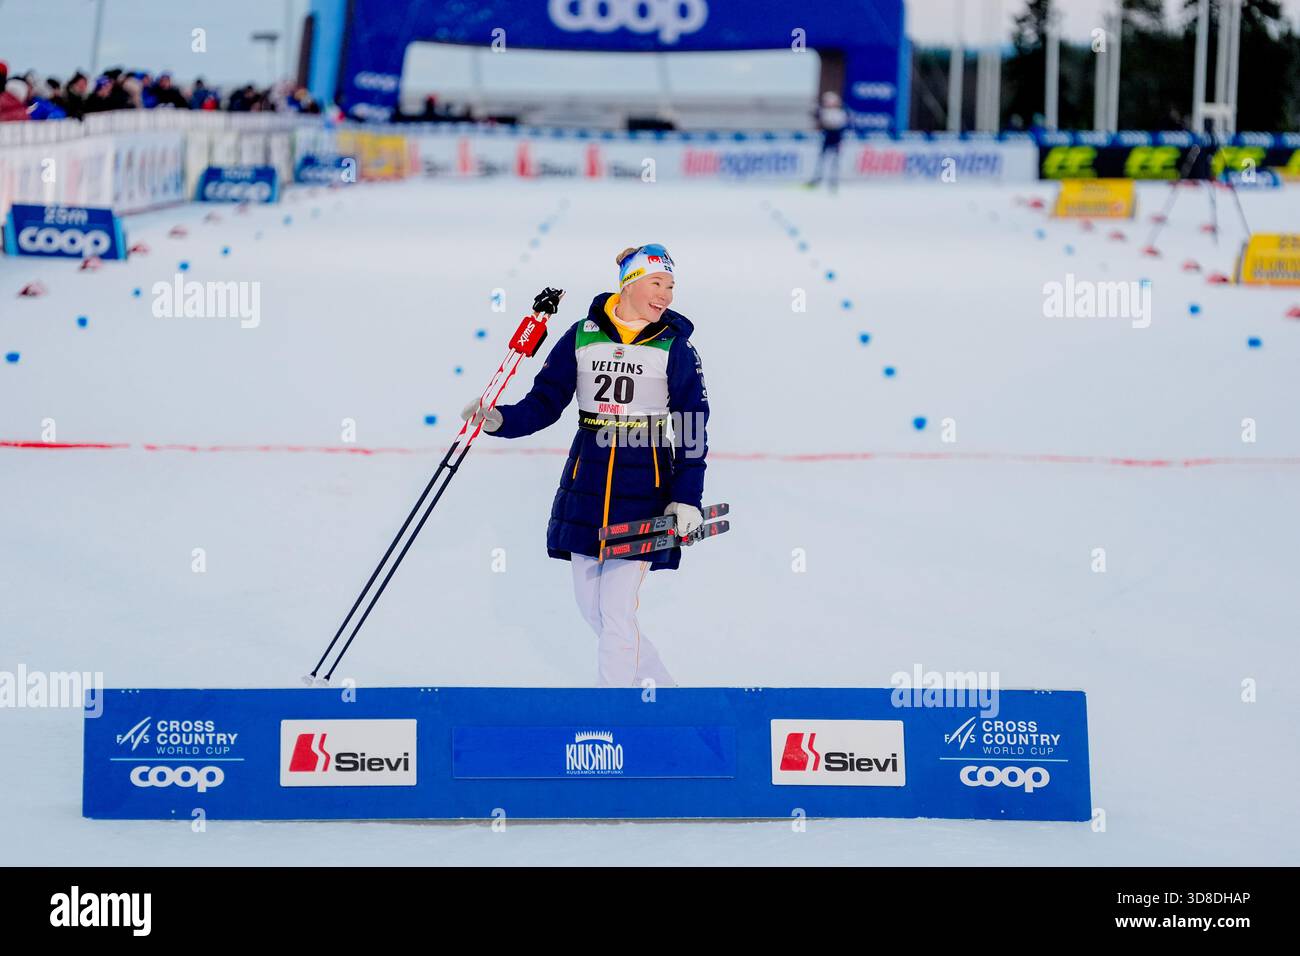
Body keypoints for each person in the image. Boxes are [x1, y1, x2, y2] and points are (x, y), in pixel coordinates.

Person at [461, 245, 710, 688]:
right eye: (658, 284)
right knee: (594, 611)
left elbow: (691, 425)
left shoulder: (675, 347)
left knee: (616, 612)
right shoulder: (582, 336)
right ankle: (668, 697)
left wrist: (686, 499)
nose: (667, 296)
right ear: (630, 284)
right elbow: (544, 402)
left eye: (671, 286)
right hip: (586, 488)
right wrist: (501, 420)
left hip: (645, 492)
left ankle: (613, 713)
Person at [806, 90, 849, 192]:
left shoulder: (841, 112)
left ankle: (833, 181)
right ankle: (817, 179)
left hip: (836, 138)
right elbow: (816, 116)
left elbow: (837, 125)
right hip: (827, 138)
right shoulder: (824, 111)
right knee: (822, 160)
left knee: (834, 161)